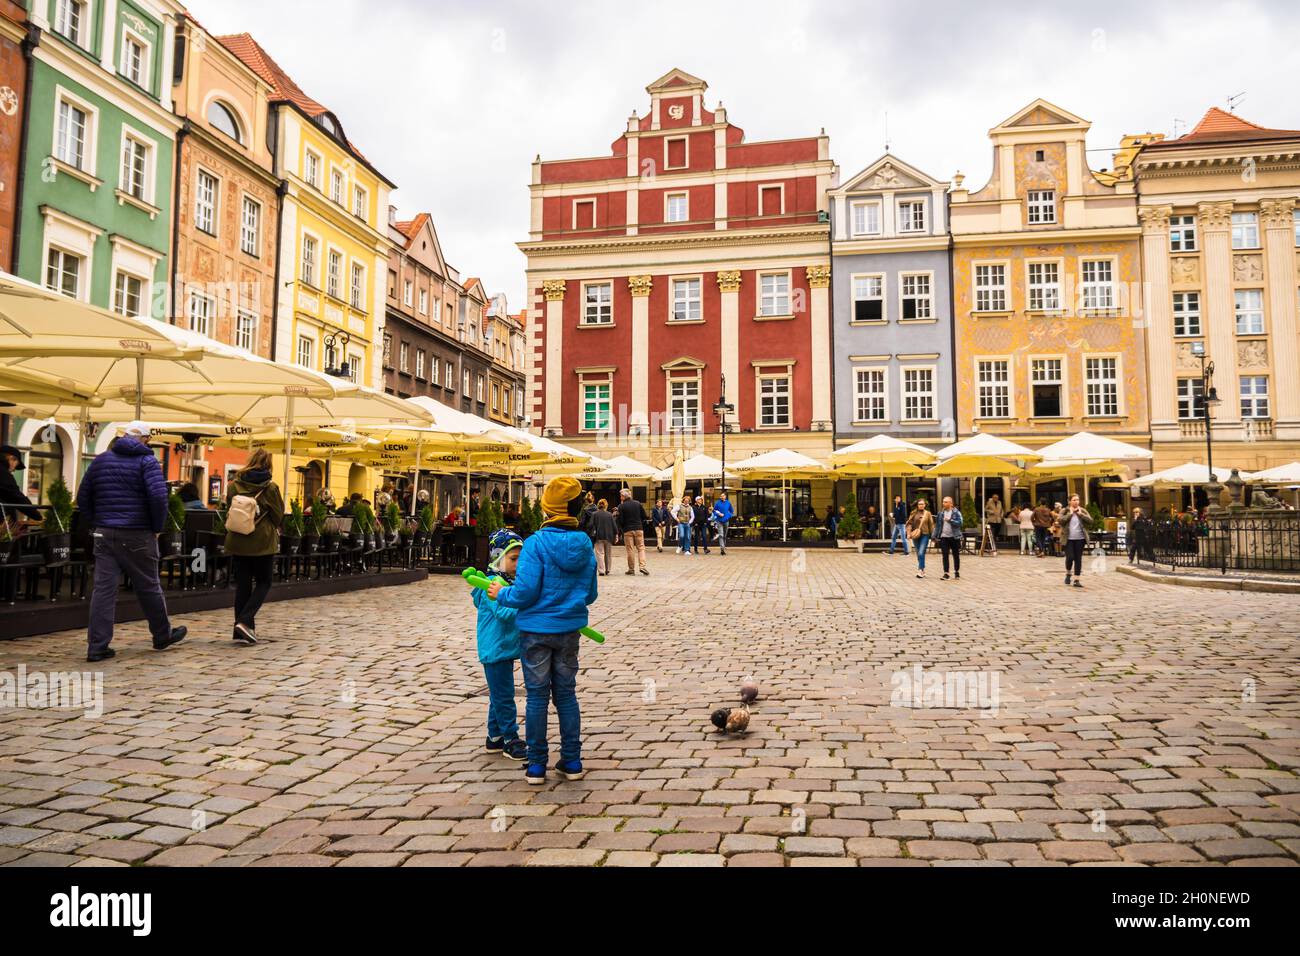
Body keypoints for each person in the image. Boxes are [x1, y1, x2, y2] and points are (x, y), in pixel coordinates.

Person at [488, 476, 597, 786]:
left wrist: (501, 593)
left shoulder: (535, 543)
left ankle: (536, 765)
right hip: (568, 630)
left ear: (548, 508)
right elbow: (590, 595)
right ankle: (572, 761)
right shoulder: (584, 544)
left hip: (535, 631)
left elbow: (523, 593)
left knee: (536, 697)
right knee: (566, 694)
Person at [76, 422, 187, 662]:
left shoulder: (101, 460)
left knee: (103, 591)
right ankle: (161, 635)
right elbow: (159, 497)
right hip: (138, 532)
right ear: (145, 440)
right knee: (148, 585)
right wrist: (157, 528)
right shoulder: (147, 462)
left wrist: (98, 521)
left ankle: (97, 646)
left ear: (123, 436)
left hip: (104, 533)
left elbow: (82, 497)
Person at [474, 529, 527, 762]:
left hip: (503, 647)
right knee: (504, 695)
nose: (518, 564)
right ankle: (510, 739)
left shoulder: (507, 583)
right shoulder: (493, 584)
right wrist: (526, 604)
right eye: (513, 558)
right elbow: (505, 613)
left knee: (498, 693)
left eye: (520, 559)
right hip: (494, 648)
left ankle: (494, 737)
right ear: (497, 558)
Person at [223, 449, 283, 646]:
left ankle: (242, 632)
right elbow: (277, 516)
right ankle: (244, 621)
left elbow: (227, 509)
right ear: (269, 465)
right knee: (264, 582)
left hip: (238, 540)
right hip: (262, 542)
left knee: (243, 586)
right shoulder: (270, 487)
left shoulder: (234, 485)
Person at [0, 444, 43, 521]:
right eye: (15, 465)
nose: (14, 470)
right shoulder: (3, 472)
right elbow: (16, 497)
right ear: (11, 458)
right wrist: (38, 517)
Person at [1061, 493, 1094, 588]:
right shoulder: (1065, 510)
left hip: (1080, 538)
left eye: (1077, 500)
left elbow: (1091, 521)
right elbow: (1060, 520)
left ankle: (1076, 580)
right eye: (1074, 500)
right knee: (1070, 557)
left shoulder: (1082, 510)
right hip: (1068, 539)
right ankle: (1068, 573)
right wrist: (1070, 514)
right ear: (1069, 501)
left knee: (1078, 559)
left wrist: (1081, 515)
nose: (1076, 502)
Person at [616, 489, 649, 576]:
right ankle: (642, 566)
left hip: (627, 530)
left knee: (630, 549)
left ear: (623, 496)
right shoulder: (637, 503)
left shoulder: (621, 506)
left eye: (621, 496)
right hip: (638, 528)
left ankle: (631, 569)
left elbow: (621, 520)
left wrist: (622, 529)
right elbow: (644, 516)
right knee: (641, 548)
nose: (620, 497)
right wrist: (639, 523)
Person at [935, 495, 963, 580]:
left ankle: (956, 571)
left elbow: (960, 523)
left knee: (956, 555)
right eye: (943, 502)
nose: (943, 503)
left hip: (954, 537)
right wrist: (935, 536)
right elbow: (938, 526)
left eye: (946, 502)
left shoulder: (956, 512)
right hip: (944, 537)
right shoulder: (940, 513)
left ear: (951, 503)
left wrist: (950, 520)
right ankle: (946, 573)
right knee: (945, 555)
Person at [906, 498, 935, 579]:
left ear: (925, 505)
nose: (921, 505)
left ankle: (920, 570)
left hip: (925, 535)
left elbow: (931, 525)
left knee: (921, 552)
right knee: (919, 553)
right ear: (917, 505)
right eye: (920, 504)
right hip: (915, 535)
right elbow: (909, 524)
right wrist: (908, 534)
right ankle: (922, 570)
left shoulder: (928, 513)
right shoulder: (913, 513)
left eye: (922, 504)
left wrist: (933, 536)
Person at [588, 497, 617, 575]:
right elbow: (614, 526)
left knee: (599, 554)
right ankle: (608, 569)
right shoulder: (610, 515)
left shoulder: (594, 514)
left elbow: (590, 525)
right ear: (606, 505)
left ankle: (601, 570)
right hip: (609, 536)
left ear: (598, 505)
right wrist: (616, 535)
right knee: (608, 554)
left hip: (598, 536)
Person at [711, 491, 734, 555]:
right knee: (721, 535)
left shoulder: (728, 503)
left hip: (726, 521)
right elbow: (714, 511)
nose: (721, 497)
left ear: (725, 496)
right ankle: (722, 549)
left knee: (725, 535)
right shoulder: (717, 503)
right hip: (719, 521)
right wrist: (719, 514)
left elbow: (731, 511)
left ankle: (723, 546)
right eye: (721, 496)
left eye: (723, 496)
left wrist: (728, 516)